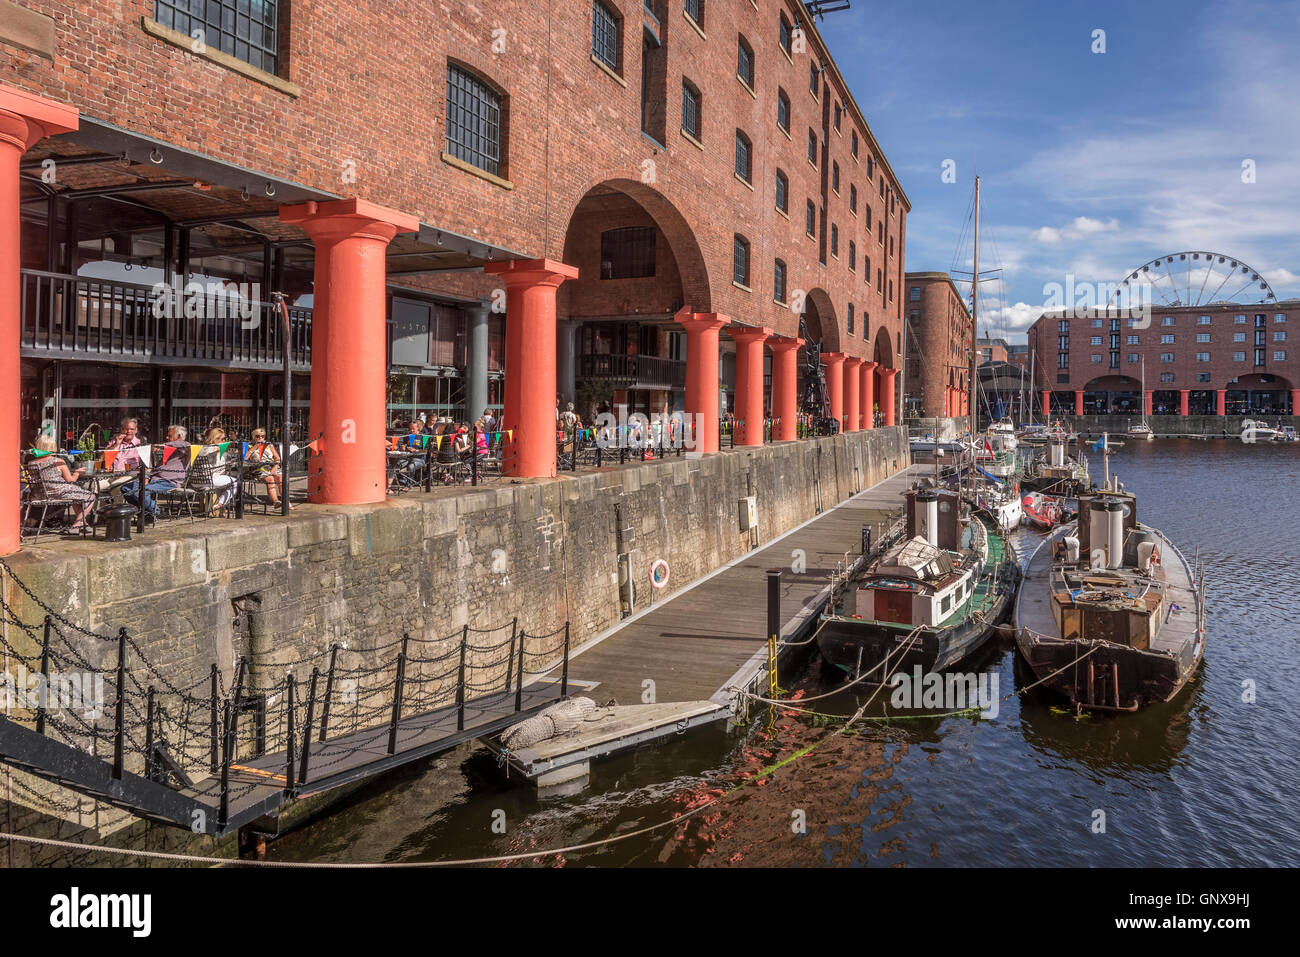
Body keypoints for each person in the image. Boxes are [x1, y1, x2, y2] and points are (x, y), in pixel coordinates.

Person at [28, 434, 97, 531]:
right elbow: (70, 480)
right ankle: (77, 523)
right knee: (91, 496)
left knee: (77, 498)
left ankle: (83, 523)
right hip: (60, 492)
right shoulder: (58, 461)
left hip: (40, 495)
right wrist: (77, 472)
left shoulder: (31, 463)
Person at [123, 424, 190, 521]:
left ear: (179, 437)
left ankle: (156, 512)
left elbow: (185, 444)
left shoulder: (184, 449)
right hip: (154, 479)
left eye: (169, 435)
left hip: (169, 481)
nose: (167, 437)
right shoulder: (170, 450)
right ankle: (146, 511)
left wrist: (163, 446)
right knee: (126, 488)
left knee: (142, 492)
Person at [245, 428, 292, 510]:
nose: (260, 438)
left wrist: (275, 467)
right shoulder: (249, 446)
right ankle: (276, 501)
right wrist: (255, 446)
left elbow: (277, 458)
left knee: (281, 479)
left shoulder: (269, 445)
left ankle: (287, 501)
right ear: (254, 437)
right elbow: (245, 458)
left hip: (271, 466)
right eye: (258, 436)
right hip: (259, 468)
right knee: (270, 479)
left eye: (262, 436)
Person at [202, 427, 238, 514]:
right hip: (208, 480)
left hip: (197, 481)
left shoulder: (204, 448)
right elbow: (212, 450)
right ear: (216, 438)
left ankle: (220, 509)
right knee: (237, 483)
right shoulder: (210, 448)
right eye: (222, 439)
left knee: (224, 482)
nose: (224, 441)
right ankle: (220, 504)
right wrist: (225, 446)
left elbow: (221, 470)